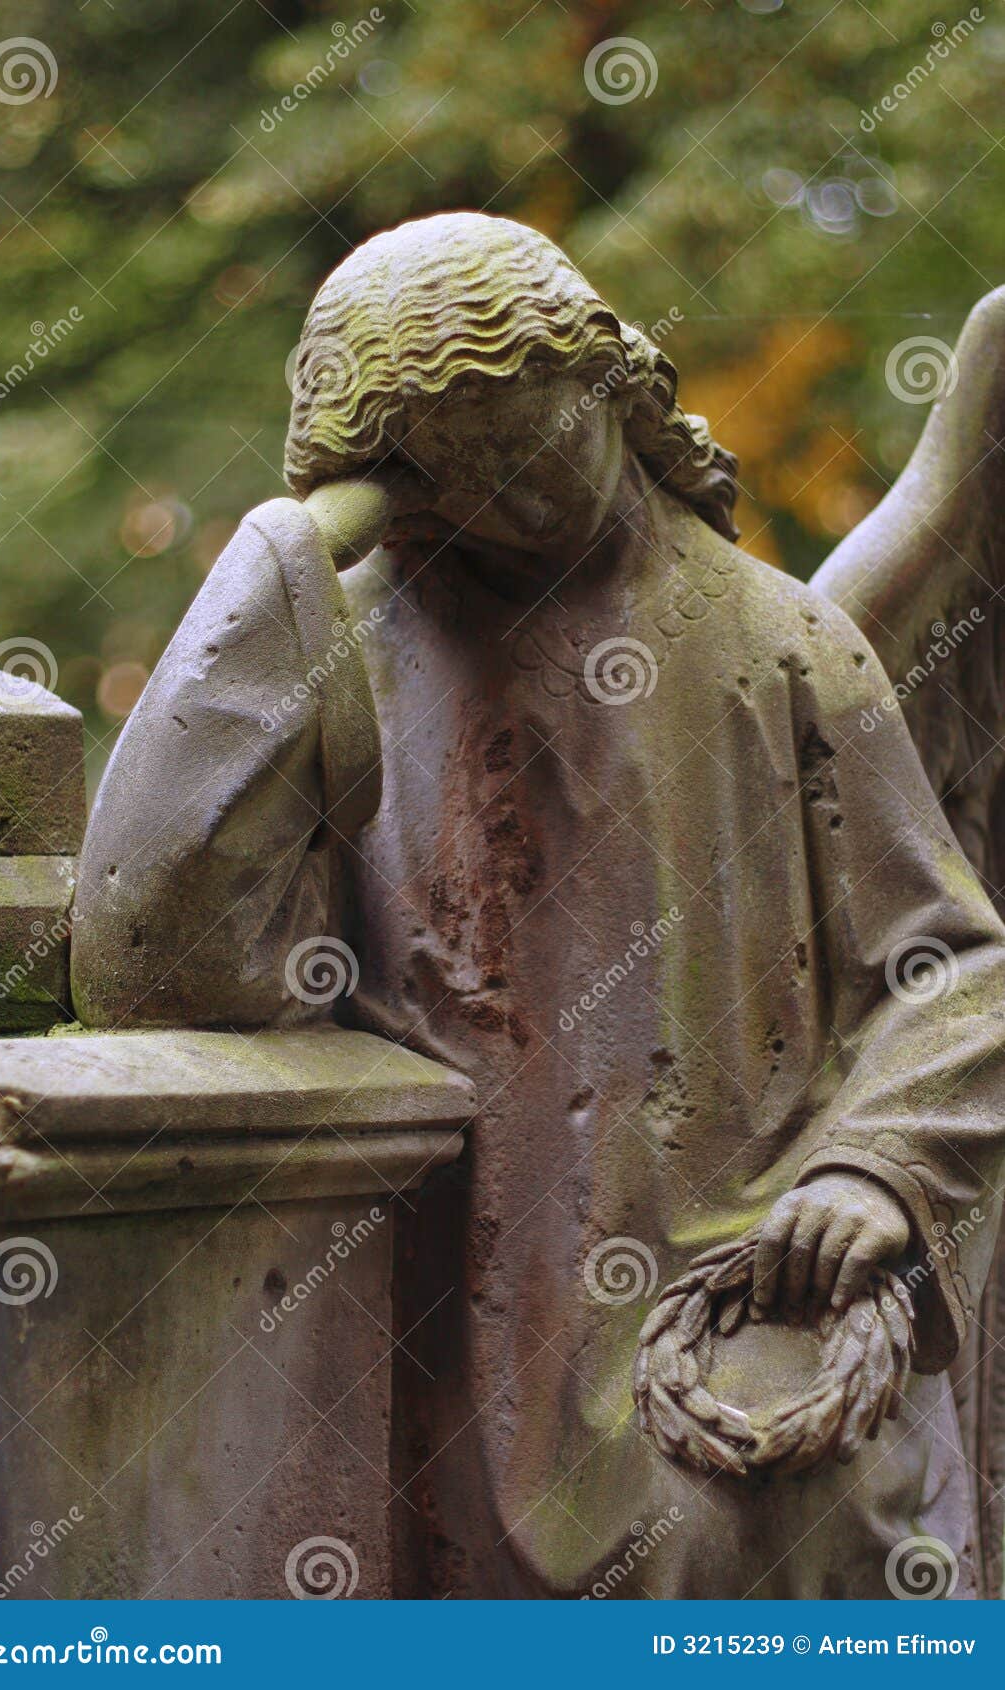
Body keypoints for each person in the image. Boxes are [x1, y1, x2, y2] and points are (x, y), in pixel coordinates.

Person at [71, 213, 1005, 1598]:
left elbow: (955, 969)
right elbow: (148, 960)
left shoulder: (782, 649)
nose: (506, 491)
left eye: (523, 434)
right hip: (468, 1325)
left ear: (609, 382)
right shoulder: (357, 656)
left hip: (752, 1292)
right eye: (451, 468)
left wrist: (875, 1165)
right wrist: (283, 552)